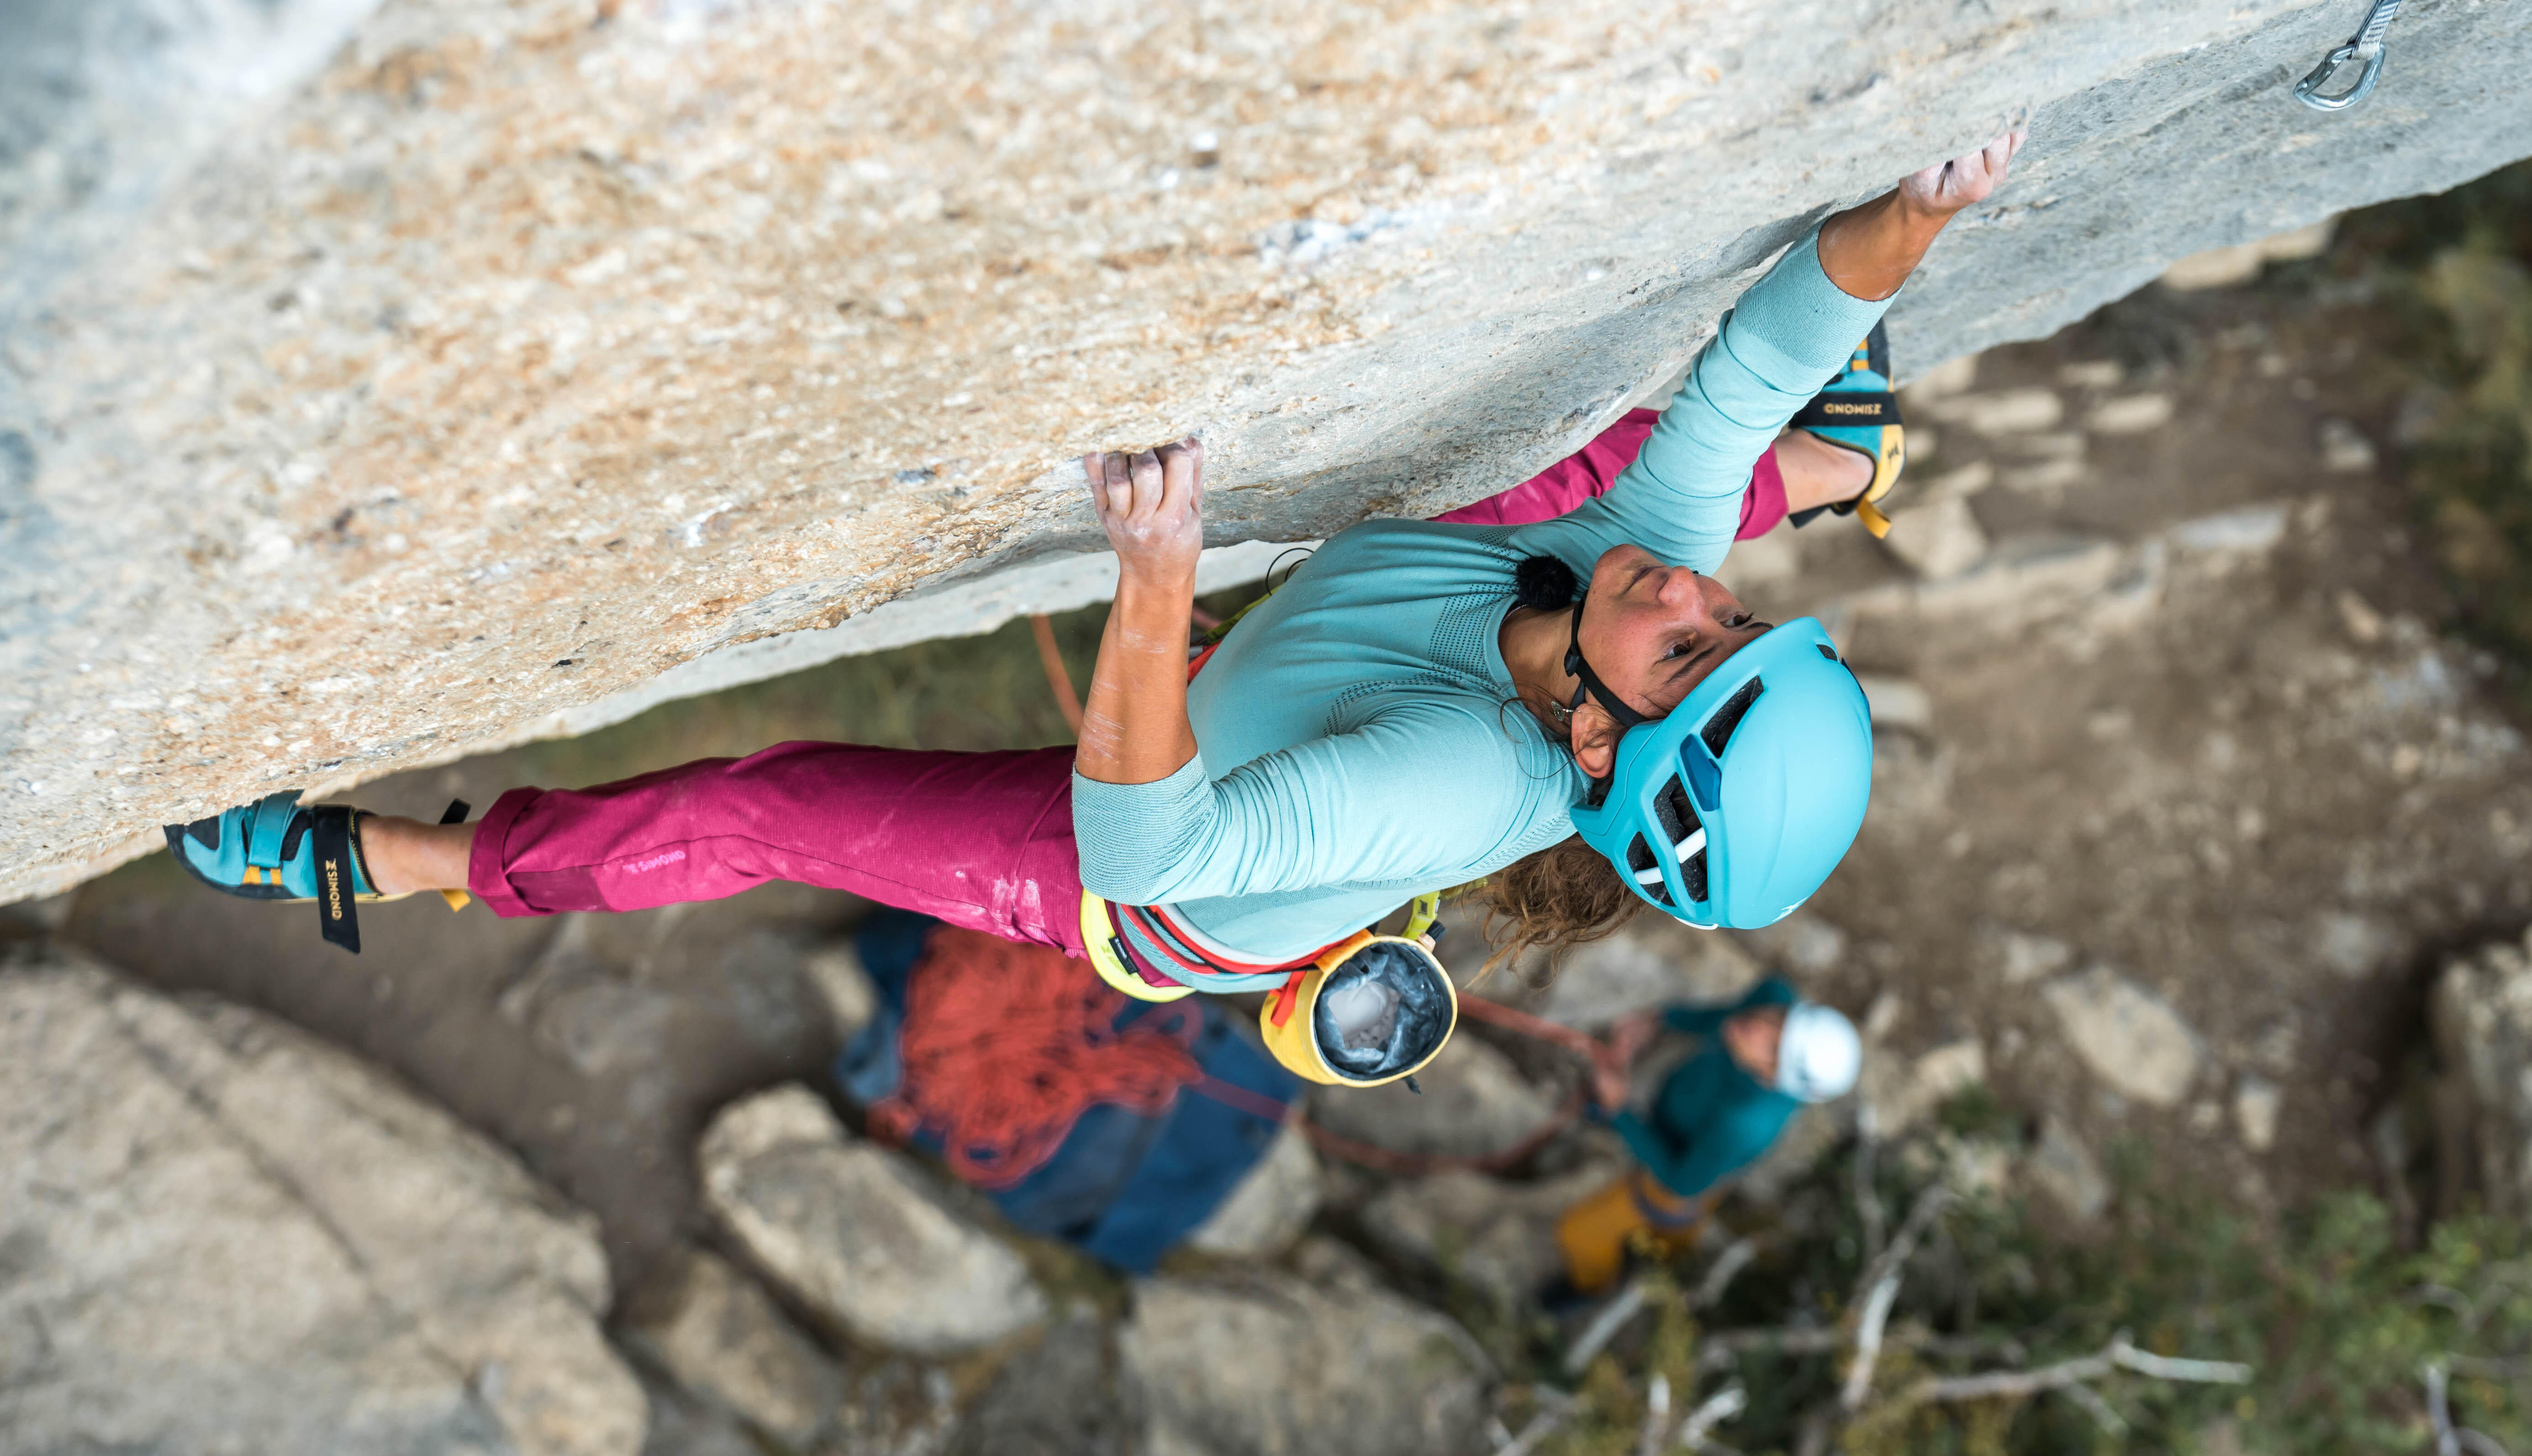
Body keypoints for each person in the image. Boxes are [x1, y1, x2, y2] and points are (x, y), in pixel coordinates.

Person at [164, 131, 2022, 981]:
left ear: (1599, 755)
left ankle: (398, 860)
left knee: (770, 804)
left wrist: (1153, 589)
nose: (1692, 599)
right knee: (1637, 465)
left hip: (1159, 879)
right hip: (1338, 702)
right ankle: (1830, 478)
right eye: (1732, 612)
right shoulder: (1635, 615)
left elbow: (1150, 837)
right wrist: (1923, 209)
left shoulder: (1465, 778)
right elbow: (1752, 365)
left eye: (1695, 647)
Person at [1555, 979, 1862, 1293]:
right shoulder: (1771, 997)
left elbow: (1682, 1183)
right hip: (1678, 1119)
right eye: (1781, 1018)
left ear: (1771, 1078)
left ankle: (1587, 1285)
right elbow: (1725, 1015)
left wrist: (1620, 1110)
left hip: (1683, 1172)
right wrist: (1662, 1019)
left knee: (1578, 1234)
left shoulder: (1745, 1123)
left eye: (1773, 1048)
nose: (1758, 1026)